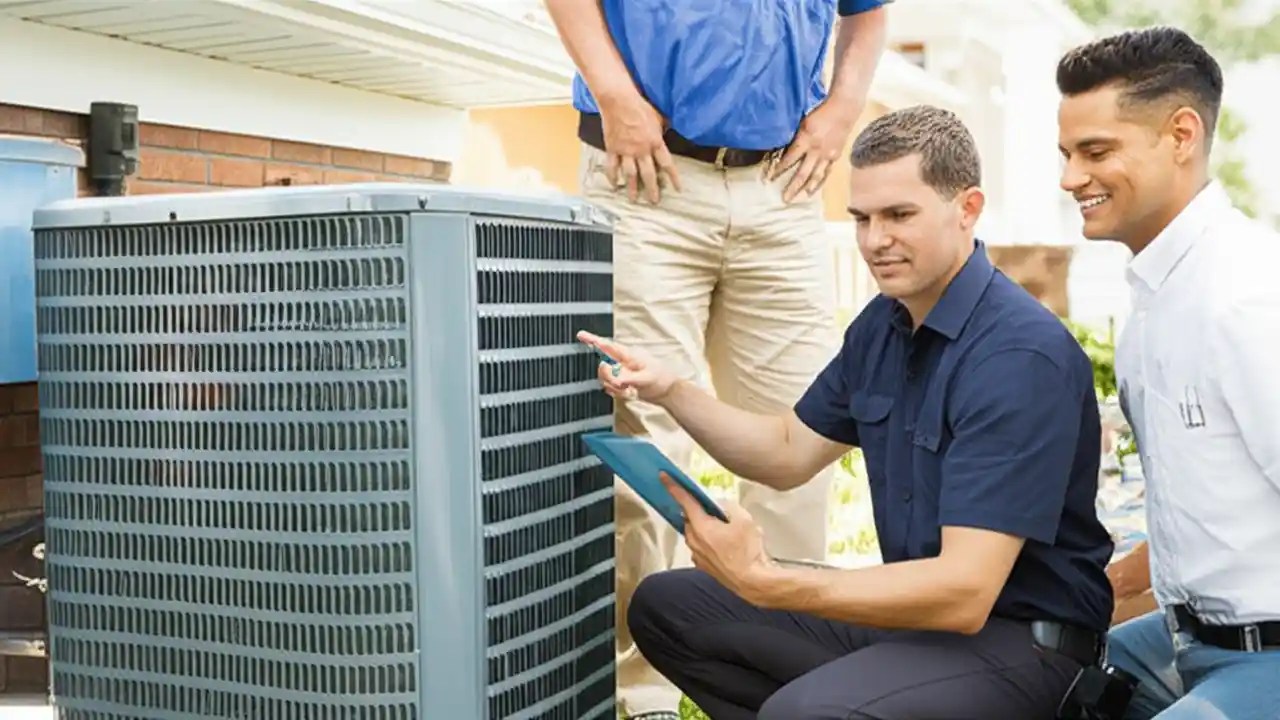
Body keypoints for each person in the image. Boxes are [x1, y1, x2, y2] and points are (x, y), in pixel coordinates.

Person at [578, 104, 1117, 719]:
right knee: (671, 608)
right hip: (921, 628)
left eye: (899, 215)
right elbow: (785, 452)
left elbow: (966, 593)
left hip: (1023, 649)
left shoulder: (1018, 355)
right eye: (861, 218)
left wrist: (769, 581)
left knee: (804, 712)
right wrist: (671, 389)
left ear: (967, 208)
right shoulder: (884, 327)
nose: (874, 240)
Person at [542, 1, 891, 716]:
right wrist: (614, 94)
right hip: (647, 174)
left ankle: (787, 686)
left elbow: (869, 11)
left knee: (804, 442)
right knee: (642, 453)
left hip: (782, 187)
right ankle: (643, 699)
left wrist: (841, 110)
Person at [1057, 26, 1280, 719]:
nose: (1070, 178)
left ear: (1181, 135)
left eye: (1095, 152)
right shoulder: (1155, 301)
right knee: (1027, 678)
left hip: (1265, 654)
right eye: (1065, 154)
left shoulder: (1244, 296)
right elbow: (1204, 510)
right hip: (1188, 639)